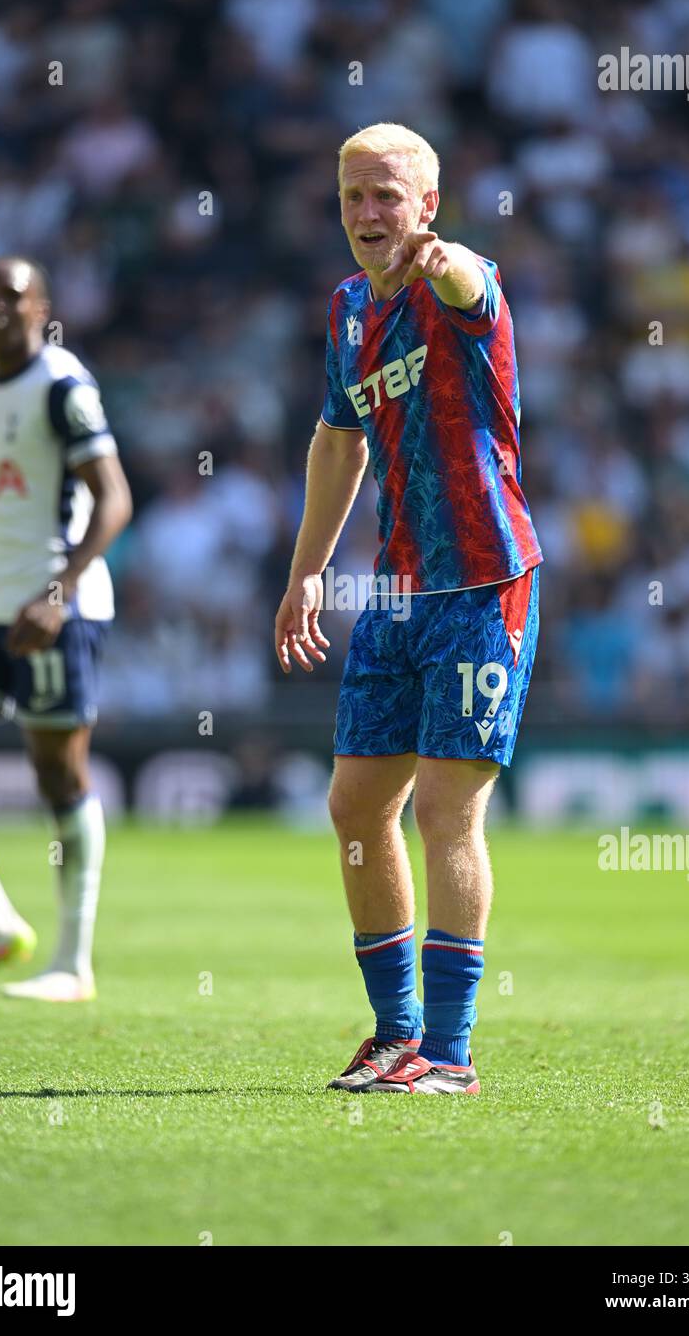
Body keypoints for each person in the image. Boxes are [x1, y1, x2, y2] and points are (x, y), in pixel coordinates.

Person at [275, 123, 543, 1094]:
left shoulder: (457, 286)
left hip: (482, 583)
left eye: (386, 196)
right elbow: (336, 441)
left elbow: (472, 280)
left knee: (443, 809)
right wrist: (306, 568)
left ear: (425, 204)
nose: (366, 215)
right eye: (352, 197)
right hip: (394, 591)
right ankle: (394, 1032)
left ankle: (451, 1052)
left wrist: (449, 259)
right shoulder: (348, 308)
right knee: (353, 804)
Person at [0, 256, 132, 1002]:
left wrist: (57, 592)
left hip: (57, 606)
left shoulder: (63, 387)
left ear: (43, 306)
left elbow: (114, 500)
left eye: (13, 296)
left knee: (57, 773)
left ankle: (72, 963)